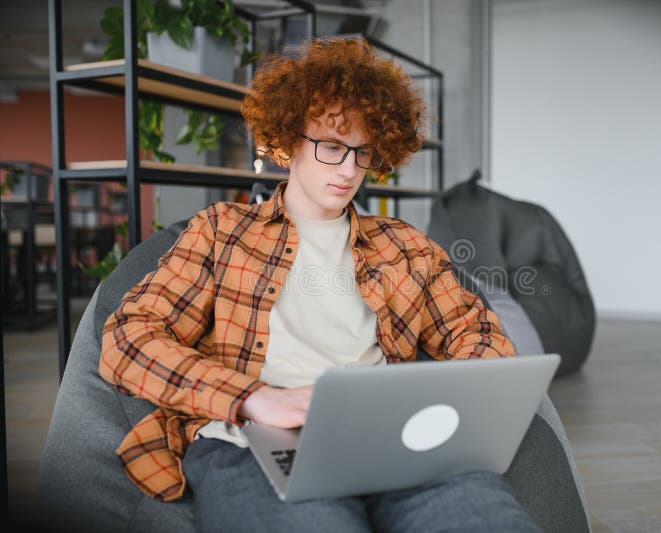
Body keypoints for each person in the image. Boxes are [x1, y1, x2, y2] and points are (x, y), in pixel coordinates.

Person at [100, 37, 542, 533]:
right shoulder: (221, 231)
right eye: (332, 147)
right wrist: (253, 398)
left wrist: (442, 412)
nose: (350, 169)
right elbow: (128, 338)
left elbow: (478, 334)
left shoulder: (404, 247)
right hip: (252, 442)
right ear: (288, 142)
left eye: (363, 152)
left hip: (387, 439)